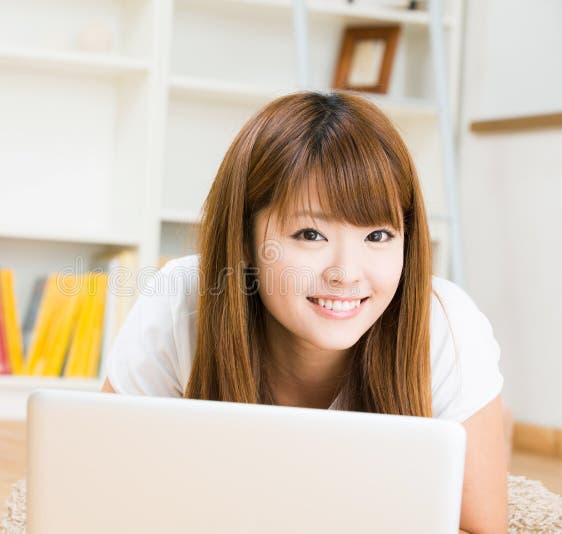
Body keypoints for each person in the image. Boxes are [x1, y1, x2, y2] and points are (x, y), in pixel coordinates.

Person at [101, 91, 508, 533]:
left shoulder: (444, 324)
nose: (346, 274)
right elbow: (100, 497)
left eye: (378, 236)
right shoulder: (181, 301)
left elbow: (480, 529)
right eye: (310, 234)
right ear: (245, 239)